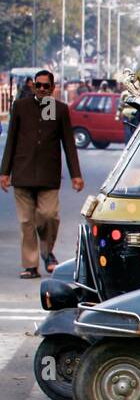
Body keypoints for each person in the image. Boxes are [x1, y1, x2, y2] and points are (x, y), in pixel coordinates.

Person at [1, 69, 83, 278]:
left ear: (53, 88)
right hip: (22, 172)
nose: (42, 89)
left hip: (48, 175)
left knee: (48, 216)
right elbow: (11, 140)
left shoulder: (60, 110)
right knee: (26, 221)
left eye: (47, 86)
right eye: (39, 85)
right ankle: (30, 265)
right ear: (33, 86)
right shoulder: (20, 107)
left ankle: (47, 251)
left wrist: (76, 174)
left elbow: (69, 144)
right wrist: (4, 172)